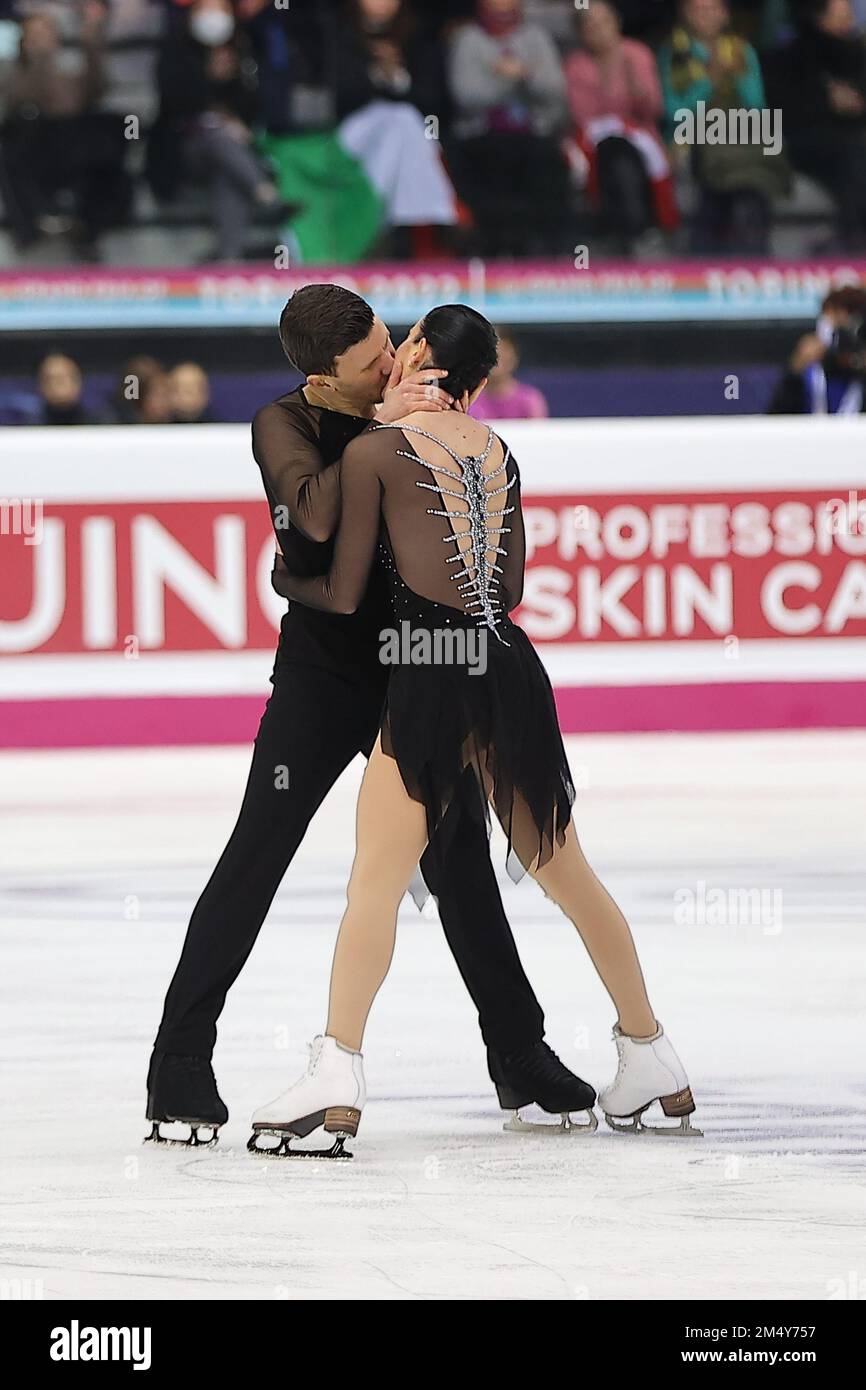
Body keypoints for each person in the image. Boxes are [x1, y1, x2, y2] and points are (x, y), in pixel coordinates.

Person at [146, 284, 595, 1148]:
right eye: (371, 363)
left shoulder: (409, 411)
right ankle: (178, 1066)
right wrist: (378, 425)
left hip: (414, 674)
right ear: (325, 380)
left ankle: (519, 1051)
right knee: (257, 853)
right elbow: (311, 525)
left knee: (461, 859)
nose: (397, 363)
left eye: (393, 343)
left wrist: (396, 419)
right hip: (324, 679)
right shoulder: (284, 424)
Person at [251, 305, 700, 1157]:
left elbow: (344, 594)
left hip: (429, 668)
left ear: (417, 355)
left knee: (375, 881)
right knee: (566, 870)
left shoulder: (378, 452)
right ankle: (650, 1053)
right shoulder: (499, 450)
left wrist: (285, 581)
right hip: (508, 666)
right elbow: (513, 584)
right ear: (483, 381)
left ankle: (335, 1072)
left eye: (405, 340)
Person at [658, 0, 784, 254]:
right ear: (684, 14)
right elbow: (675, 113)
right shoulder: (673, 52)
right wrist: (710, 80)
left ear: (725, 14)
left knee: (750, 179)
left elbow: (757, 108)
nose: (706, 16)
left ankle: (753, 256)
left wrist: (736, 77)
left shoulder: (741, 51)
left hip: (740, 140)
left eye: (713, 9)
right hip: (691, 139)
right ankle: (707, 257)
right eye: (698, 10)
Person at [334, 0, 458, 258]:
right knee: (403, 123)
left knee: (402, 124)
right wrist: (373, 73)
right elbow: (338, 96)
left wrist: (398, 76)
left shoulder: (419, 36)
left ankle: (377, 224)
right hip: (352, 135)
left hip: (404, 138)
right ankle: (434, 218)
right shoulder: (339, 32)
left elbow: (435, 102)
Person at [446, 0, 571, 256]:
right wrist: (511, 77)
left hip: (534, 133)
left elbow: (555, 90)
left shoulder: (536, 37)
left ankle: (549, 252)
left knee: (547, 160)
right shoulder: (467, 39)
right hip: (480, 134)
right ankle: (495, 248)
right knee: (491, 159)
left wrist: (523, 75)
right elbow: (466, 96)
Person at [564, 1, 676, 256]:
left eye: (604, 22)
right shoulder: (576, 65)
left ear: (616, 24)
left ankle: (631, 230)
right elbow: (580, 114)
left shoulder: (637, 54)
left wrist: (636, 87)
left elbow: (653, 110)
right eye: (590, 25)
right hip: (593, 142)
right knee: (613, 152)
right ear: (581, 32)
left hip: (639, 139)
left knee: (622, 154)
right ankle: (633, 230)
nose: (599, 30)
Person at [766, 0, 866, 252]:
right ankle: (851, 238)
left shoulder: (857, 53)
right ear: (820, 17)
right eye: (843, 15)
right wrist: (826, 100)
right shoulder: (792, 54)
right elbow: (781, 109)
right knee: (853, 154)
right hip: (805, 140)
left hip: (850, 137)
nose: (850, 21)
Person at [768, 286, 866, 412]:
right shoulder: (809, 370)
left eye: (852, 312)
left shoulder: (858, 377)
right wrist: (795, 371)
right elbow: (777, 415)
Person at [468, 328, 548, 419]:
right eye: (492, 352)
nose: (497, 359)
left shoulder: (530, 400)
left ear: (514, 356)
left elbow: (538, 430)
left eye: (503, 353)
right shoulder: (471, 400)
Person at [35, 353, 92, 426]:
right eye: (49, 379)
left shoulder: (101, 425)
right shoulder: (26, 428)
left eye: (60, 379)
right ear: (40, 386)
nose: (55, 384)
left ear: (77, 382)